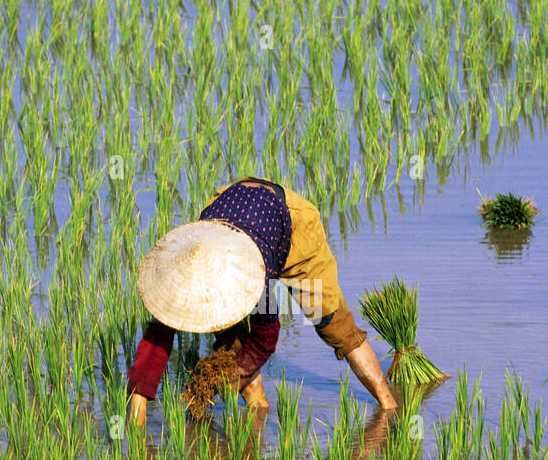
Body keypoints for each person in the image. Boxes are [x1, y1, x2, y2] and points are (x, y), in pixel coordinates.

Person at [126, 175, 396, 424]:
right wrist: (137, 410)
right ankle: (258, 413)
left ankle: (389, 408)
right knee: (231, 337)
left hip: (292, 228)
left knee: (330, 322)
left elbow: (266, 337)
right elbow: (156, 340)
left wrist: (224, 380)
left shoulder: (255, 276)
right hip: (231, 213)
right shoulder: (182, 270)